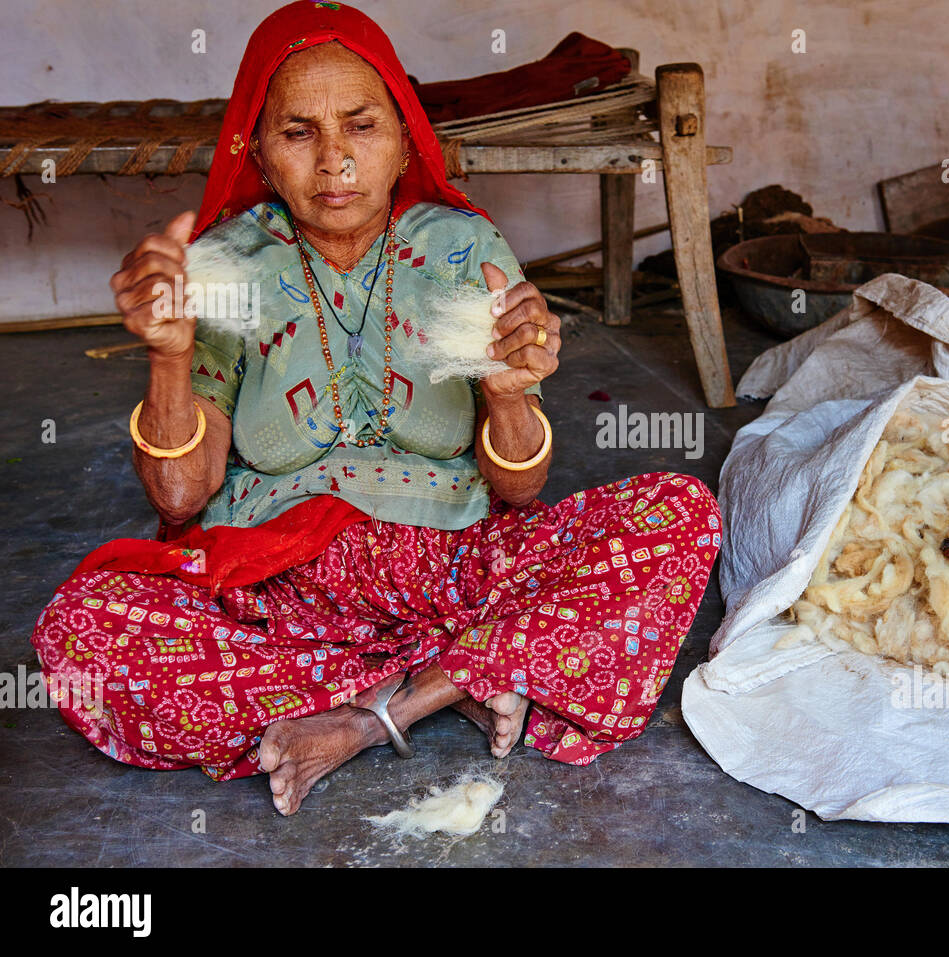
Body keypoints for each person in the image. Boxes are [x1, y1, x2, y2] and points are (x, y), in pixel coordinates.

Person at [30, 0, 721, 816]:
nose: (334, 161)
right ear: (257, 151)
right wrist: (171, 356)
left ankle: (370, 714)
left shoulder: (464, 251)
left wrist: (506, 395)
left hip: (458, 570)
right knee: (81, 636)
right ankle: (456, 678)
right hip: (279, 597)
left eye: (360, 127)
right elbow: (181, 496)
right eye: (298, 133)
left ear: (404, 142)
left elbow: (521, 489)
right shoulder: (225, 266)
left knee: (681, 513)